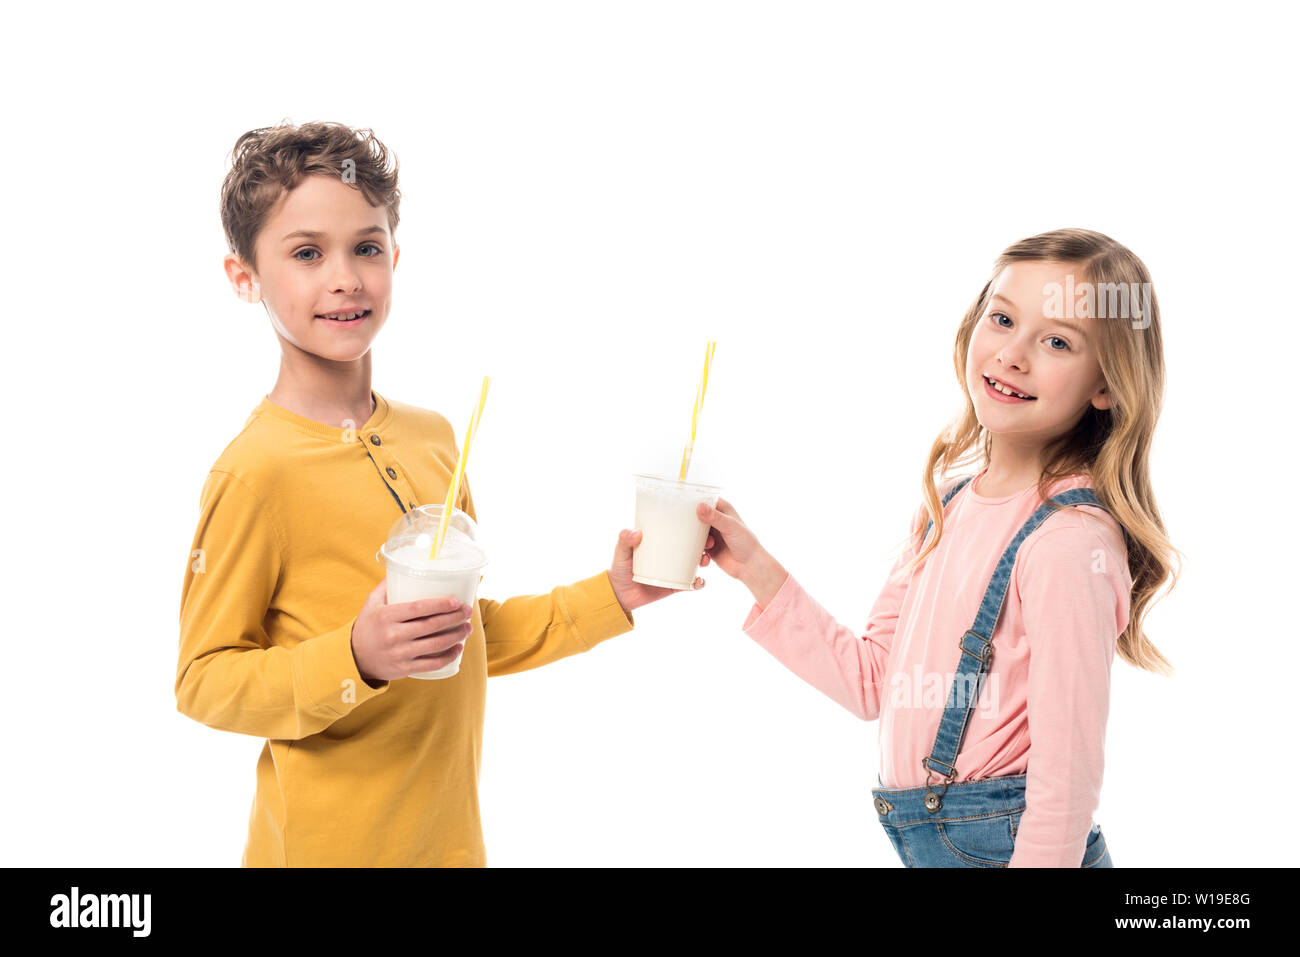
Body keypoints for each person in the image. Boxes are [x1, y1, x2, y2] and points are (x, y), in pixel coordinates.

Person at [176, 120, 705, 867]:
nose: (345, 277)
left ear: (395, 255)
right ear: (244, 277)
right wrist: (355, 656)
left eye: (366, 246)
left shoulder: (433, 439)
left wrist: (612, 596)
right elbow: (203, 680)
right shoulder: (256, 471)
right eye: (305, 253)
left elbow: (464, 635)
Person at [697, 229, 1180, 867]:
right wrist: (755, 569)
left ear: (1107, 386)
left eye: (1057, 341)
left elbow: (1067, 776)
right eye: (1003, 319)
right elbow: (874, 682)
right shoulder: (947, 507)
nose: (1013, 353)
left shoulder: (1067, 542)